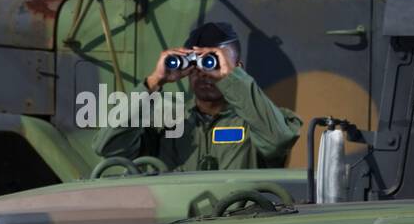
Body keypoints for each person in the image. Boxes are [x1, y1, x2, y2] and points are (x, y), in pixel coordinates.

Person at [93, 21, 301, 171]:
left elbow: (279, 140)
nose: (203, 73)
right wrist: (154, 81)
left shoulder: (259, 121)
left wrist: (230, 78)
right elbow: (108, 147)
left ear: (237, 69)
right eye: (195, 64)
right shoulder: (166, 123)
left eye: (212, 63)